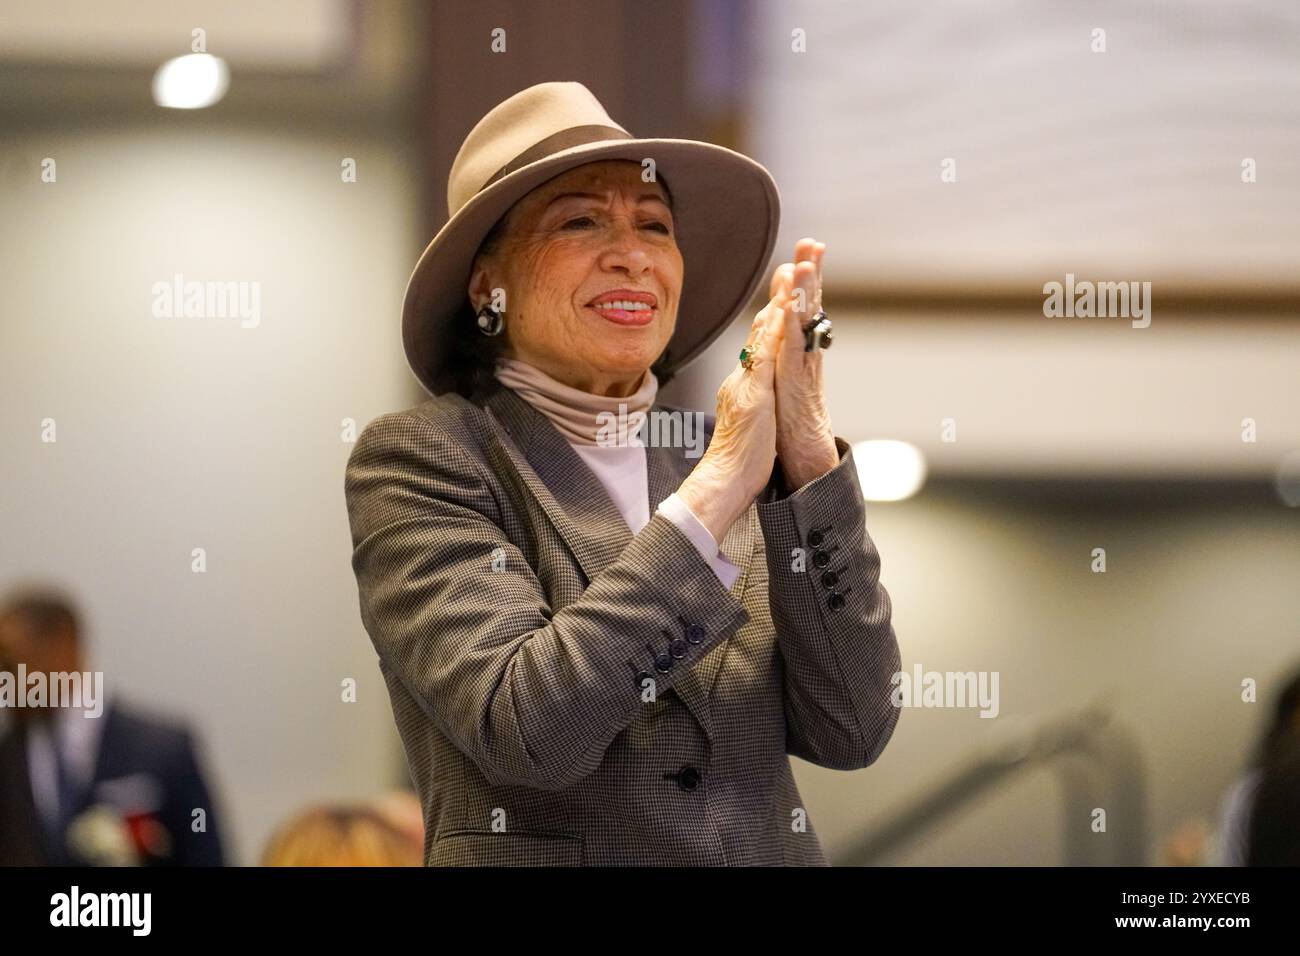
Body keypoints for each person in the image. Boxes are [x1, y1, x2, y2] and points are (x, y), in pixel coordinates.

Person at [344, 81, 902, 866]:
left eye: (654, 225)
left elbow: (855, 725)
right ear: (487, 285)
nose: (632, 255)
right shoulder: (427, 459)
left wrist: (807, 454)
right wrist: (713, 496)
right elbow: (530, 728)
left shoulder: (734, 459)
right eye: (580, 220)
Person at [0, 586, 226, 866]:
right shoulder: (8, 757)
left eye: (10, 663)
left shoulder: (163, 750)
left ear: (63, 646)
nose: (4, 680)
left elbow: (206, 858)